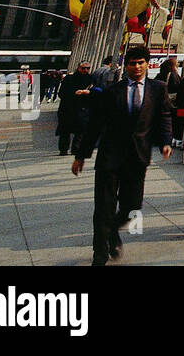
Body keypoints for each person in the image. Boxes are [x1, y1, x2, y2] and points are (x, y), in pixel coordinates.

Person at [71, 47, 173, 266]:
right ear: (125, 66)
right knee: (103, 208)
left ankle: (111, 232)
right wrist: (81, 155)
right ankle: (99, 254)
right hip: (110, 158)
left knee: (132, 206)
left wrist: (166, 141)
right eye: (132, 63)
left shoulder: (158, 89)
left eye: (140, 63)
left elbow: (164, 116)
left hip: (137, 158)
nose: (136, 67)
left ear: (147, 64)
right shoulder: (112, 92)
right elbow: (95, 125)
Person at [56, 63, 95, 155]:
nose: (85, 70)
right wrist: (74, 94)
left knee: (80, 130)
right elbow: (61, 93)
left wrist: (87, 93)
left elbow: (94, 92)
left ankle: (74, 149)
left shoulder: (90, 79)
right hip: (68, 108)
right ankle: (65, 149)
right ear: (78, 68)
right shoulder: (69, 78)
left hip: (80, 108)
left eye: (87, 68)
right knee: (67, 130)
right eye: (83, 68)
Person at [158, 58, 184, 146]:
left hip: (162, 100)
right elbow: (178, 87)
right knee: (174, 120)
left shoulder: (161, 74)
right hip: (172, 102)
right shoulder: (173, 75)